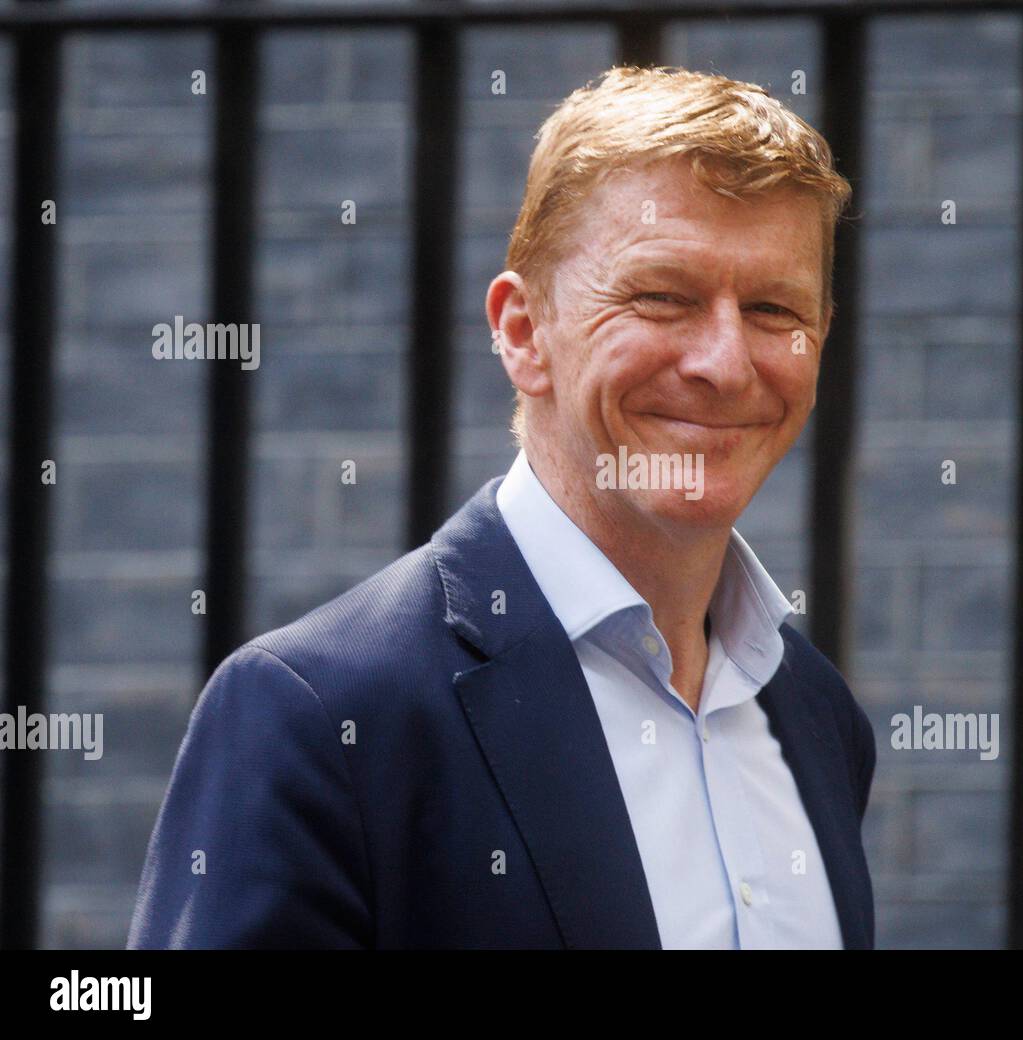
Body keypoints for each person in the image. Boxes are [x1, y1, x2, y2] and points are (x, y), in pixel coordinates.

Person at [127, 65, 876, 950]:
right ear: (524, 334)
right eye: (661, 297)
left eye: (771, 308)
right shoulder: (320, 714)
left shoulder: (816, 713)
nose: (723, 360)